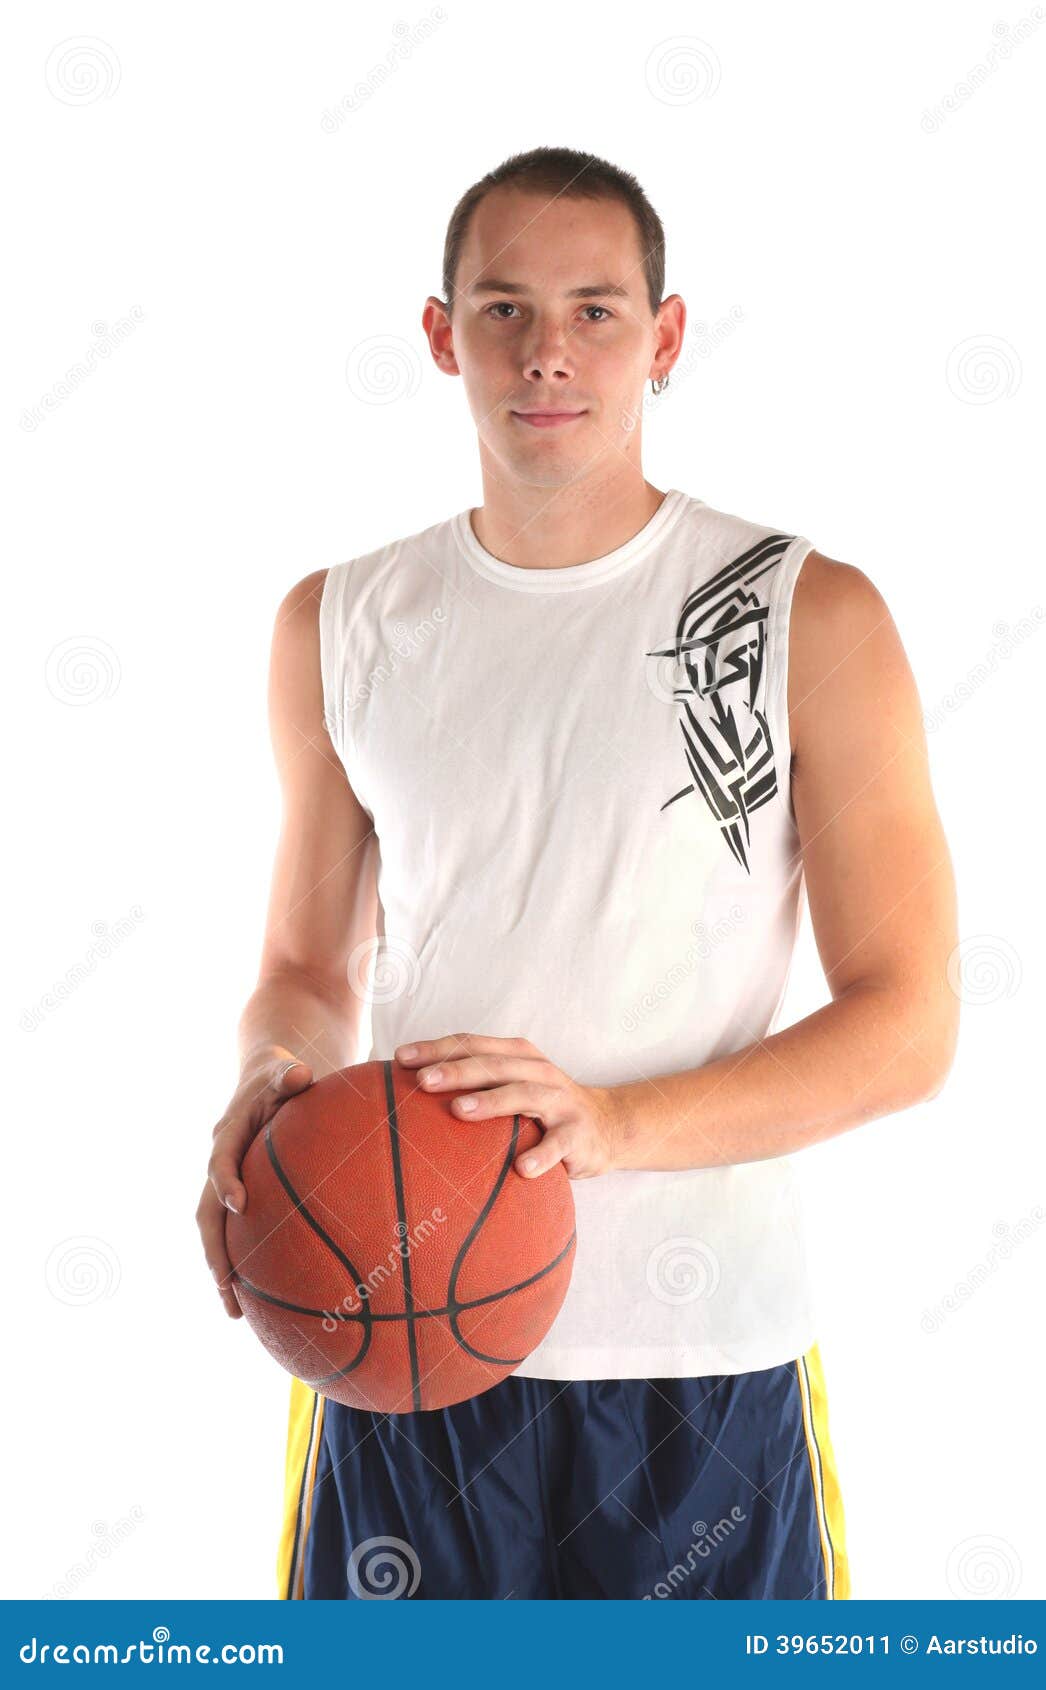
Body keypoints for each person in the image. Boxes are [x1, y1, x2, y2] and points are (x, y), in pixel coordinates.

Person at [195, 145, 959, 1601]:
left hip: (701, 1363)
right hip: (393, 1335)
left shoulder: (805, 612)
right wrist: (269, 1083)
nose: (549, 352)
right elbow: (304, 973)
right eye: (504, 310)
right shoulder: (341, 620)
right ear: (441, 335)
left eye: (597, 311)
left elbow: (910, 1019)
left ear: (666, 338)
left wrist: (612, 1124)